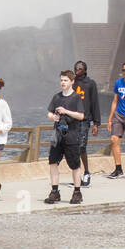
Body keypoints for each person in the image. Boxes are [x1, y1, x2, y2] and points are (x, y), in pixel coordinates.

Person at [44, 70, 86, 204]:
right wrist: (54, 117)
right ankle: (54, 191)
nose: (63, 82)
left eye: (66, 80)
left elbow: (81, 116)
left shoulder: (76, 98)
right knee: (52, 162)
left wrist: (66, 111)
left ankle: (77, 192)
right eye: (61, 80)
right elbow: (49, 114)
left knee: (74, 164)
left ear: (72, 82)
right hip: (57, 135)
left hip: (72, 135)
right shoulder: (57, 97)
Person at [72, 60, 101, 187]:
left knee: (81, 147)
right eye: (75, 68)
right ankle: (77, 176)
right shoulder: (72, 82)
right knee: (73, 147)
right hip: (72, 119)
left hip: (84, 120)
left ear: (85, 70)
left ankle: (87, 173)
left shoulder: (90, 84)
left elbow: (94, 103)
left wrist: (96, 123)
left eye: (79, 68)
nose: (77, 70)